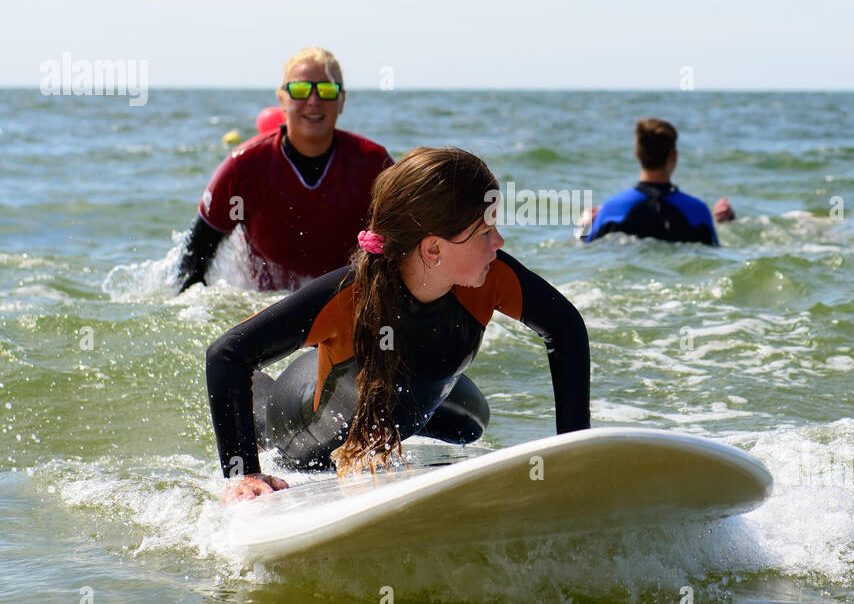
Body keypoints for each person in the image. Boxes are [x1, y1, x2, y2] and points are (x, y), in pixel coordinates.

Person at [206, 147, 591, 502]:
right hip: (307, 426)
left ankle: (391, 424)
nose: (499, 242)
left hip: (412, 400)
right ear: (433, 249)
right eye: (485, 232)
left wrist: (573, 446)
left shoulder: (491, 278)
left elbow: (566, 328)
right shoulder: (347, 296)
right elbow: (227, 354)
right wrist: (244, 474)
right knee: (295, 447)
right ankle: (258, 400)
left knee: (470, 425)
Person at [177, 47, 393, 292]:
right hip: (266, 308)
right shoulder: (243, 165)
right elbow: (194, 260)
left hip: (344, 301)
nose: (314, 100)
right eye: (300, 90)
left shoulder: (374, 163)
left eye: (327, 90)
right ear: (282, 99)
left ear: (342, 100)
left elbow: (408, 244)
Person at [578, 118, 734, 245]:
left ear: (637, 154)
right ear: (674, 156)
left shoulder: (612, 209)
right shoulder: (698, 211)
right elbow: (716, 251)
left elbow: (585, 246)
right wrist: (727, 223)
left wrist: (584, 225)